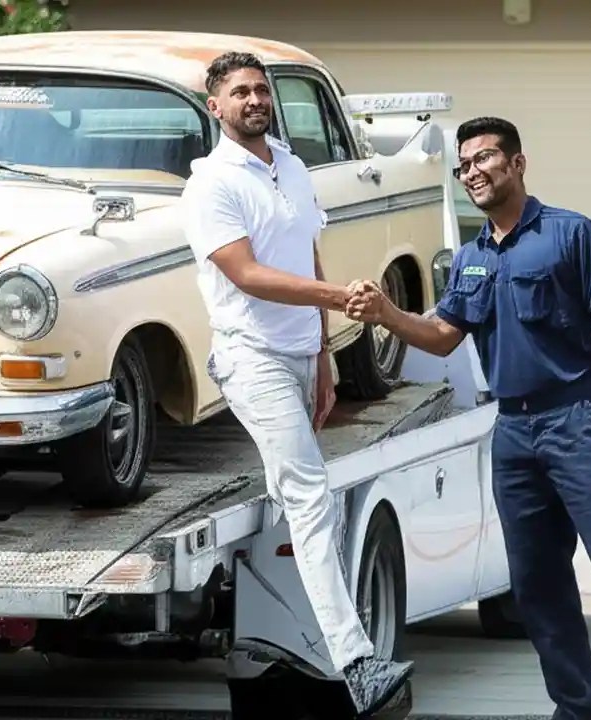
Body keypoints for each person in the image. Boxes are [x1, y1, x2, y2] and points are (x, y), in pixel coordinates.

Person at [344, 116, 591, 720]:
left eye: (484, 159)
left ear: (517, 163)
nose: (473, 172)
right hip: (512, 434)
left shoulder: (570, 234)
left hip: (578, 420)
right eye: (463, 166)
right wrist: (385, 312)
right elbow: (439, 336)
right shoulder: (471, 258)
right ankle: (575, 710)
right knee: (536, 585)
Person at [180, 50, 413, 716]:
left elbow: (307, 249)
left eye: (261, 89)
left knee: (302, 496)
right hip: (250, 357)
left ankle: (289, 643)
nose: (255, 99)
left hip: (298, 354)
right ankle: (356, 663)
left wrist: (324, 354)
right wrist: (340, 297)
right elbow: (247, 275)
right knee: (313, 494)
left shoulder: (290, 165)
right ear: (215, 107)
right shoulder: (211, 184)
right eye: (240, 92)